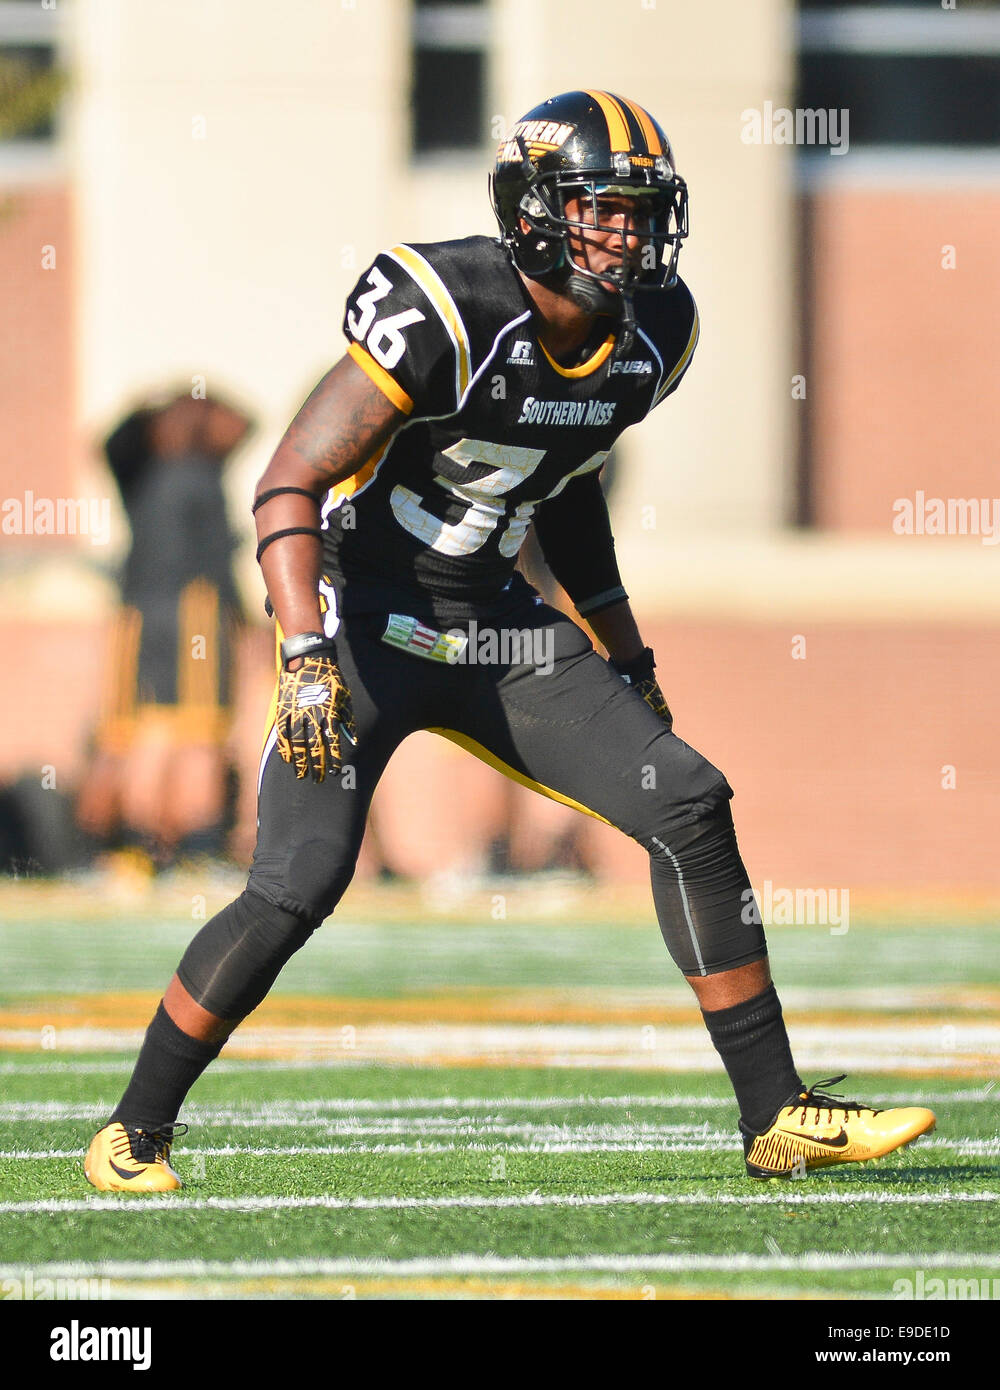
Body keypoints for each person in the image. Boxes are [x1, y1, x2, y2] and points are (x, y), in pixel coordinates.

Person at [83, 90, 934, 1191]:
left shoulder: (652, 334)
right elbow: (288, 478)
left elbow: (564, 487)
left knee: (687, 798)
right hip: (363, 617)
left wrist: (626, 654)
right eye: (603, 209)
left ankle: (775, 1114)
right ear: (534, 211)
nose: (628, 235)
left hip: (492, 621)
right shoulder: (451, 305)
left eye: (642, 212)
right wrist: (302, 655)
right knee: (298, 882)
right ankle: (131, 1131)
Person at [76, 390, 252, 873]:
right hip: (193, 613)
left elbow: (112, 441)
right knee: (200, 733)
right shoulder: (201, 478)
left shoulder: (140, 475)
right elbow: (218, 563)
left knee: (140, 732)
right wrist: (244, 621)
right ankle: (199, 846)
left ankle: (128, 849)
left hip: (134, 616)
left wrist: (152, 406)